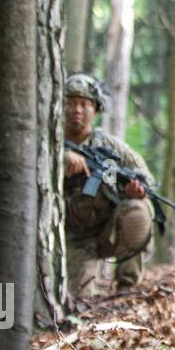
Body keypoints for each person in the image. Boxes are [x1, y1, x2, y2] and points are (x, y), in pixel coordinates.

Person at [62, 73, 157, 299]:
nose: (77, 109)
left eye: (84, 104)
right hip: (69, 238)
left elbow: (146, 179)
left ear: (95, 110)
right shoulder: (47, 143)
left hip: (106, 231)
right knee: (78, 301)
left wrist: (137, 190)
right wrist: (62, 157)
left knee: (137, 209)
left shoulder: (109, 147)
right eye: (71, 103)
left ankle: (126, 286)